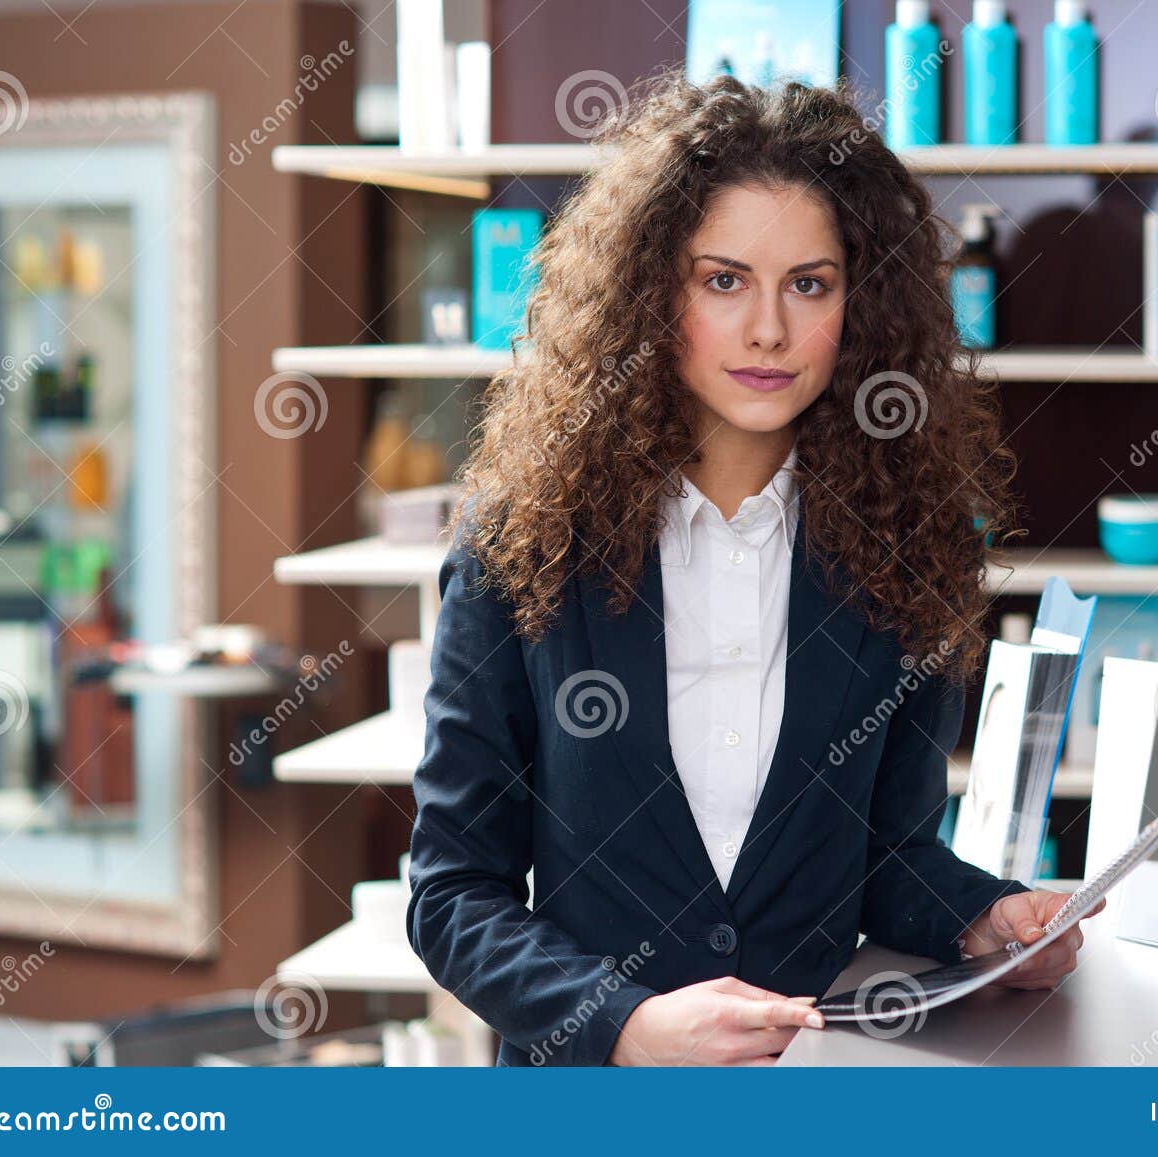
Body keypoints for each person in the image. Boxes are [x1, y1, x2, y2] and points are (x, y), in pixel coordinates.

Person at [406, 71, 1103, 1068]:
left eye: (808, 284)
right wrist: (627, 1024)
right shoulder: (522, 541)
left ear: (860, 308)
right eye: (722, 280)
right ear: (652, 292)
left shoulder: (912, 543)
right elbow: (452, 895)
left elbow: (885, 858)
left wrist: (986, 917)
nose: (768, 329)